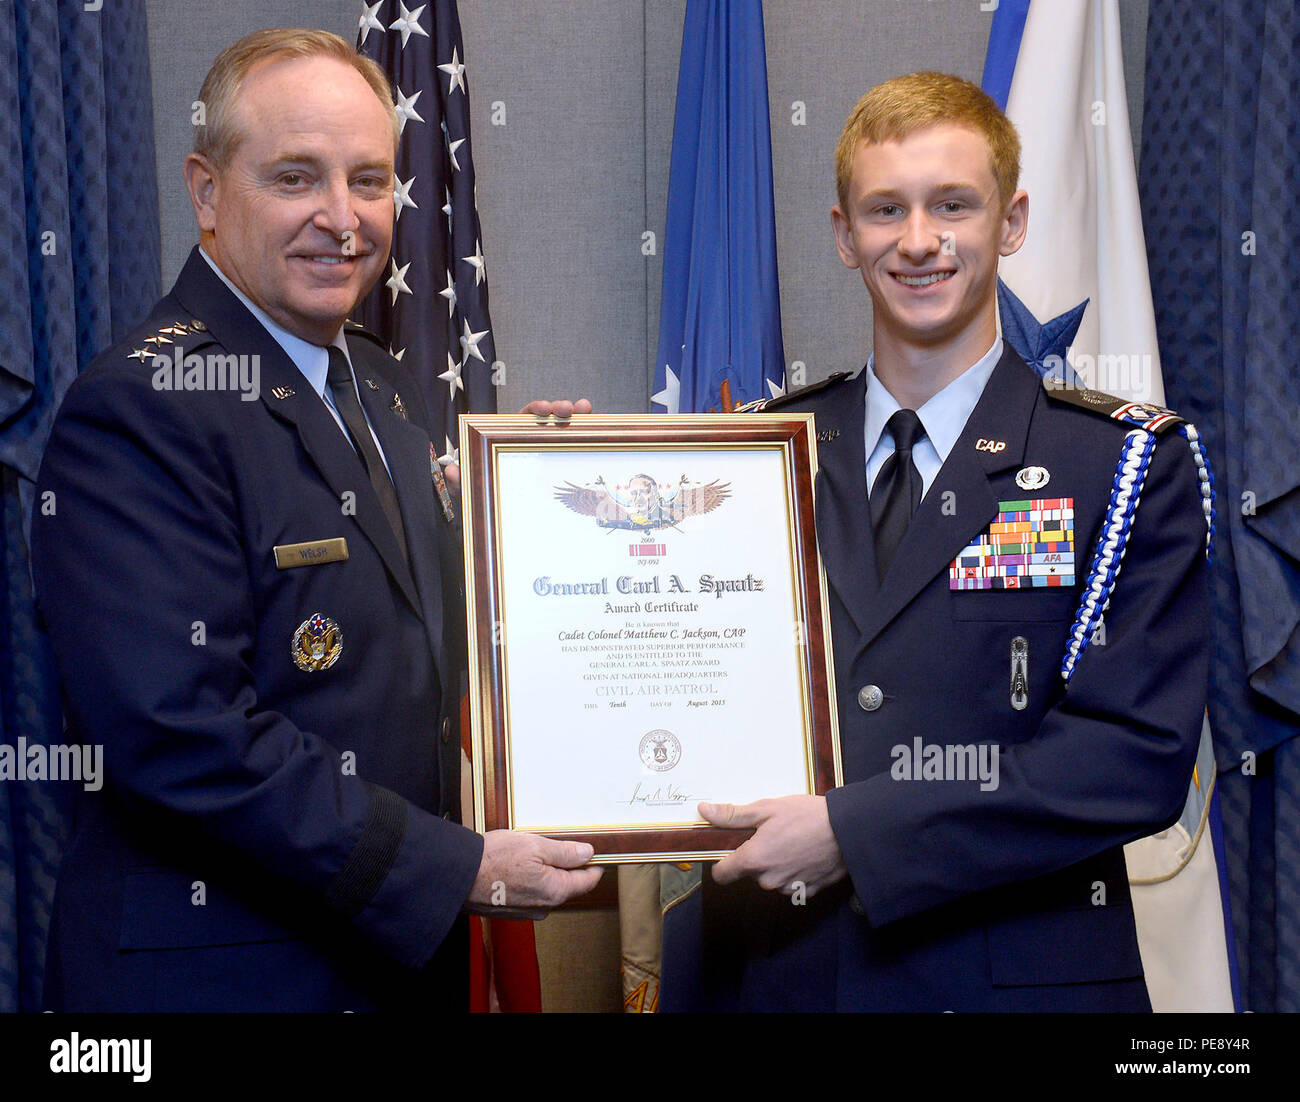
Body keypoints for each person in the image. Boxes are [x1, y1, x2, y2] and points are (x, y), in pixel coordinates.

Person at [30, 28, 599, 1012]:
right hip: (226, 977)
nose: (342, 219)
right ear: (207, 194)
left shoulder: (376, 383)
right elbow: (179, 734)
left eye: (369, 180)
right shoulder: (144, 405)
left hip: (380, 966)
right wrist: (447, 867)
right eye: (297, 178)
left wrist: (548, 511)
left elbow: (430, 655)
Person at [674, 71, 1212, 1011]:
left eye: (952, 206)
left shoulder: (1123, 464)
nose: (919, 241)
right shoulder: (753, 458)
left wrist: (857, 831)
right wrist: (548, 481)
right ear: (845, 234)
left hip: (1011, 981)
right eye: (887, 209)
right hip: (778, 973)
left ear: (1011, 222)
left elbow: (1133, 760)